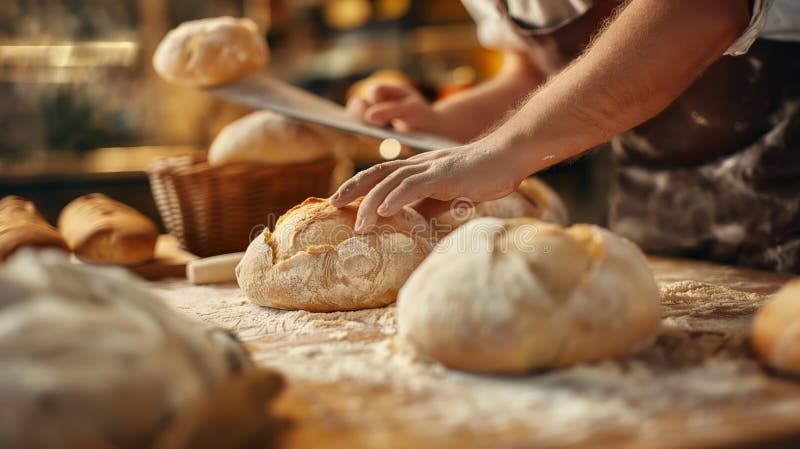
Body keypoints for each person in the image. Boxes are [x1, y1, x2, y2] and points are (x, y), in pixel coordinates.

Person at [331, 0, 800, 273]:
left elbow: (703, 10)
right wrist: (439, 124)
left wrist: (505, 149)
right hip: (660, 236)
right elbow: (541, 71)